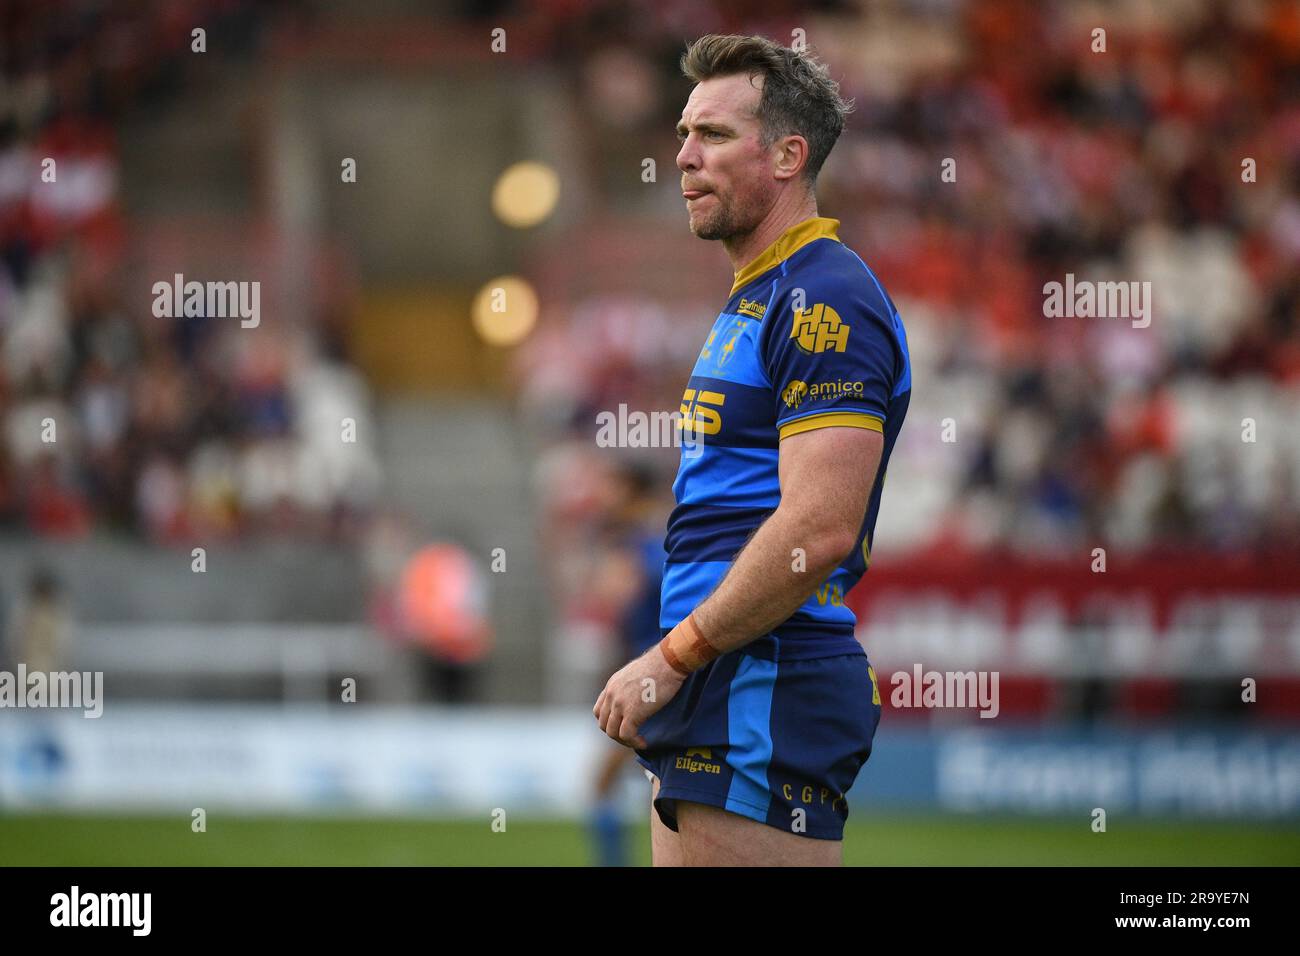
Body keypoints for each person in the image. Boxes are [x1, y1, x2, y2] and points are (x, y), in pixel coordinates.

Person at [592, 34, 913, 866]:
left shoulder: (824, 298)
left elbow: (820, 528)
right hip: (725, 671)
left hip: (764, 672)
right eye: (682, 135)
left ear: (787, 155)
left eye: (714, 136)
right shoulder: (761, 292)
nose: (685, 158)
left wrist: (672, 657)